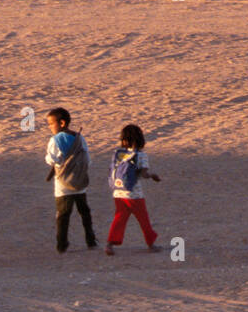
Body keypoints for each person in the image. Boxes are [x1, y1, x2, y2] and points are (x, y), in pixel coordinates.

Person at [44, 107, 97, 252]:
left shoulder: (55, 140)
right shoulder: (80, 138)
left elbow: (51, 159)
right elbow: (87, 158)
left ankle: (62, 244)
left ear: (61, 123)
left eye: (50, 123)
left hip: (63, 185)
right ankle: (91, 240)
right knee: (84, 212)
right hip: (80, 182)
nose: (49, 127)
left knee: (63, 215)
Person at [104, 123, 161, 255]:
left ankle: (110, 244)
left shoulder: (117, 154)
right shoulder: (141, 156)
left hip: (118, 192)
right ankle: (151, 244)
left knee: (119, 218)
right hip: (134, 195)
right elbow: (144, 174)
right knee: (143, 219)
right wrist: (153, 176)